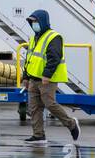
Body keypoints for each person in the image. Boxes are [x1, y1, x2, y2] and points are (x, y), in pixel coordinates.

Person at [22, 8, 80, 145]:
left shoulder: (54, 37)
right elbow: (29, 58)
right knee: (34, 108)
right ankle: (38, 135)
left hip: (47, 80)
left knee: (50, 104)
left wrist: (47, 74)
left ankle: (71, 124)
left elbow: (55, 57)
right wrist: (25, 76)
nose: (34, 24)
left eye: (35, 21)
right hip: (33, 79)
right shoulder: (34, 38)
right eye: (32, 22)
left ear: (43, 21)